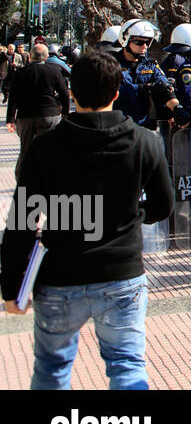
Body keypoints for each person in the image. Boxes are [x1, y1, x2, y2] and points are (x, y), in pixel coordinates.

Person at [1, 51, 175, 389]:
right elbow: (163, 206)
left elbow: (22, 222)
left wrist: (11, 288)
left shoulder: (45, 147)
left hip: (60, 277)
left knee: (52, 369)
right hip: (121, 274)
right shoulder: (144, 142)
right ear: (115, 94)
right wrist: (130, 216)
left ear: (71, 93)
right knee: (127, 366)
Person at [5, 43, 70, 179]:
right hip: (49, 114)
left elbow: (13, 97)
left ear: (30, 57)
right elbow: (64, 94)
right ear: (46, 57)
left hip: (25, 116)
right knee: (48, 148)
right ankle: (47, 179)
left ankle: (22, 179)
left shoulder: (21, 73)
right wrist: (65, 112)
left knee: (25, 149)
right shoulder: (53, 71)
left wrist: (10, 119)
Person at [113, 20, 179, 129]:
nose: (144, 46)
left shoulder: (150, 65)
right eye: (139, 42)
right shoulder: (111, 64)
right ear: (125, 39)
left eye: (147, 42)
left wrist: (177, 109)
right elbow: (111, 91)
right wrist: (143, 88)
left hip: (143, 128)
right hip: (117, 126)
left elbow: (164, 88)